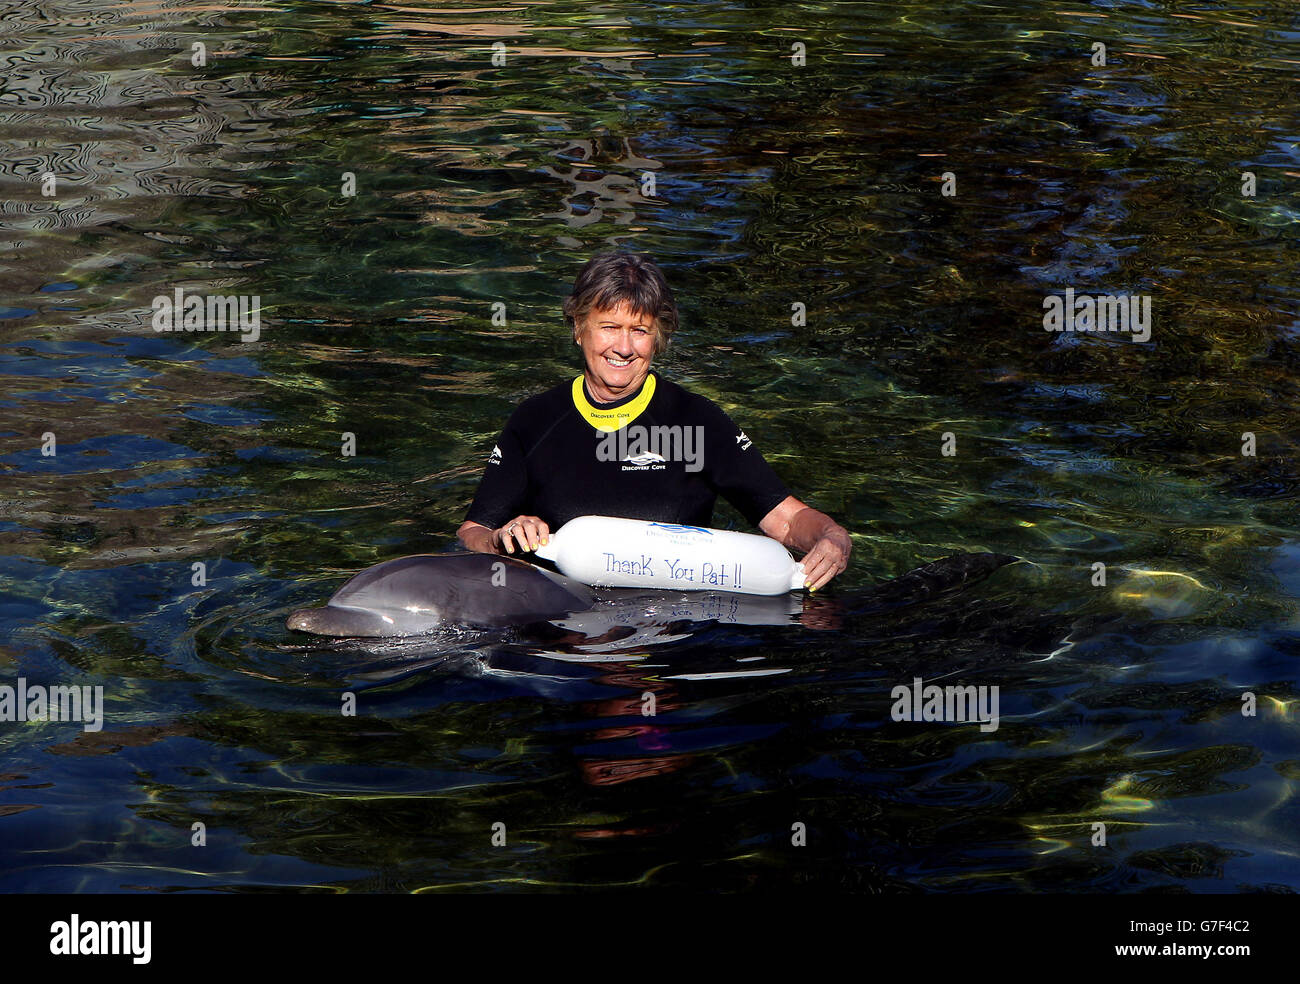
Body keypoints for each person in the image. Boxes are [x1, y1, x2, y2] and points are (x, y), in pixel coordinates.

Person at [456, 252, 851, 591]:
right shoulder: (537, 420)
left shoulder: (695, 422)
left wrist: (832, 538)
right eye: (609, 327)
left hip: (669, 627)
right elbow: (472, 531)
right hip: (561, 620)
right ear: (578, 328)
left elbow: (786, 519)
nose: (624, 348)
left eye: (639, 331)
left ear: (658, 338)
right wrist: (501, 538)